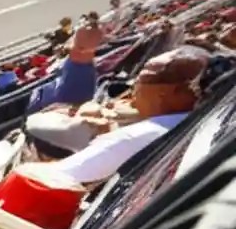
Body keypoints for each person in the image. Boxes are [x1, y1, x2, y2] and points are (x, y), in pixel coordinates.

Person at [52, 47, 209, 185]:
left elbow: (55, 178)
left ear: (167, 91)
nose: (133, 88)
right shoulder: (205, 122)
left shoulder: (137, 137)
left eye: (141, 78)